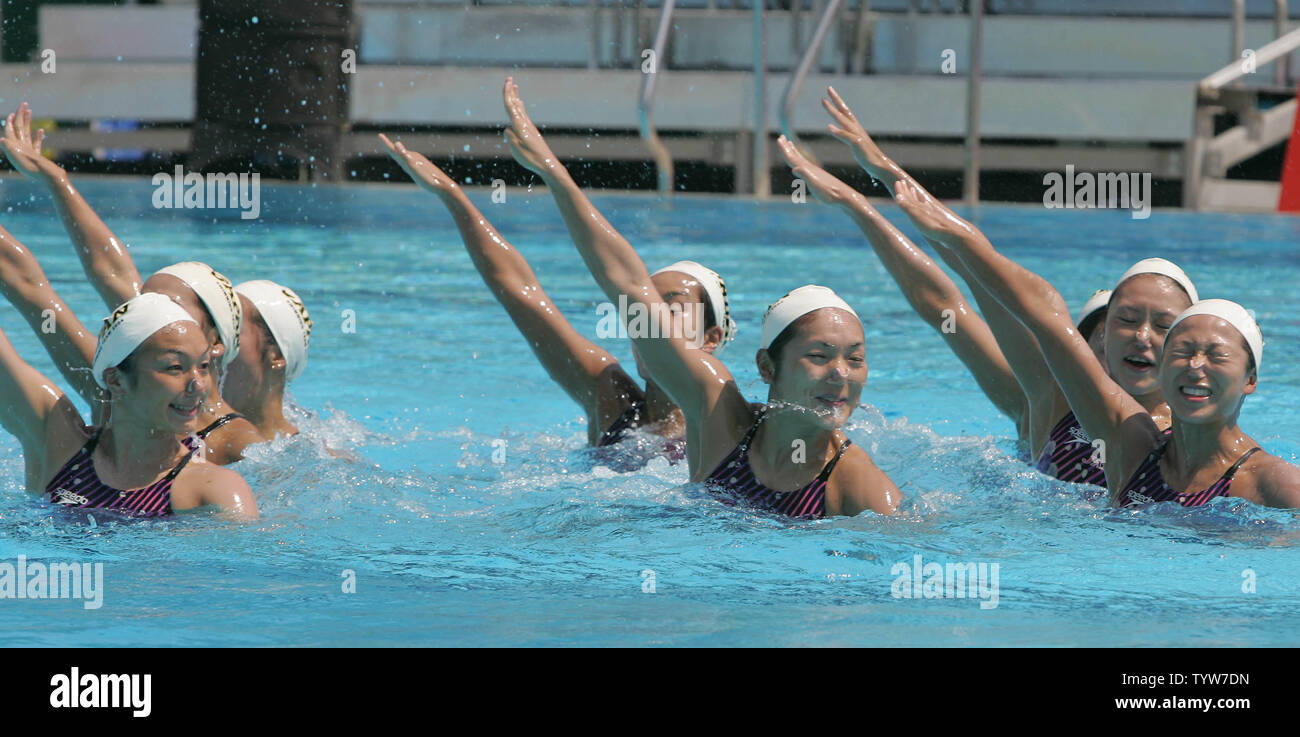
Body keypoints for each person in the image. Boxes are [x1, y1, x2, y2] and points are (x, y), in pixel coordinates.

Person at [502, 78, 899, 517]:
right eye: (820, 356)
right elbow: (629, 288)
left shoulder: (857, 485)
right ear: (766, 366)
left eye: (856, 359)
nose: (840, 374)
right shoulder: (717, 417)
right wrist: (554, 175)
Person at [806, 88, 1200, 488]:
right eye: (1114, 328)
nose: (1140, 339)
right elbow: (957, 296)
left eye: (1161, 326)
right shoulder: (1046, 397)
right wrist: (865, 197)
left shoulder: (1193, 432)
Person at [892, 180, 1300, 508]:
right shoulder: (1133, 445)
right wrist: (955, 238)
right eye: (1182, 351)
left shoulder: (1269, 483)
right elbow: (1042, 318)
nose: (1194, 365)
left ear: (1250, 379)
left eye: (1215, 356)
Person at [379, 132, 735, 463]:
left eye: (670, 308)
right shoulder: (610, 400)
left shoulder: (734, 422)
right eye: (642, 307)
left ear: (711, 337)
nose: (649, 318)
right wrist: (452, 196)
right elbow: (521, 293)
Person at [2, 102, 309, 452]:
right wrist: (56, 180)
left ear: (215, 344)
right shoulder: (119, 388)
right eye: (145, 302)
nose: (145, 311)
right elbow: (36, 282)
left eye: (165, 307)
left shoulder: (237, 446)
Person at [1, 292, 258, 517]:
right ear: (115, 380)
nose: (199, 385)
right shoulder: (59, 447)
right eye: (175, 367)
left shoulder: (212, 490)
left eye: (203, 366)